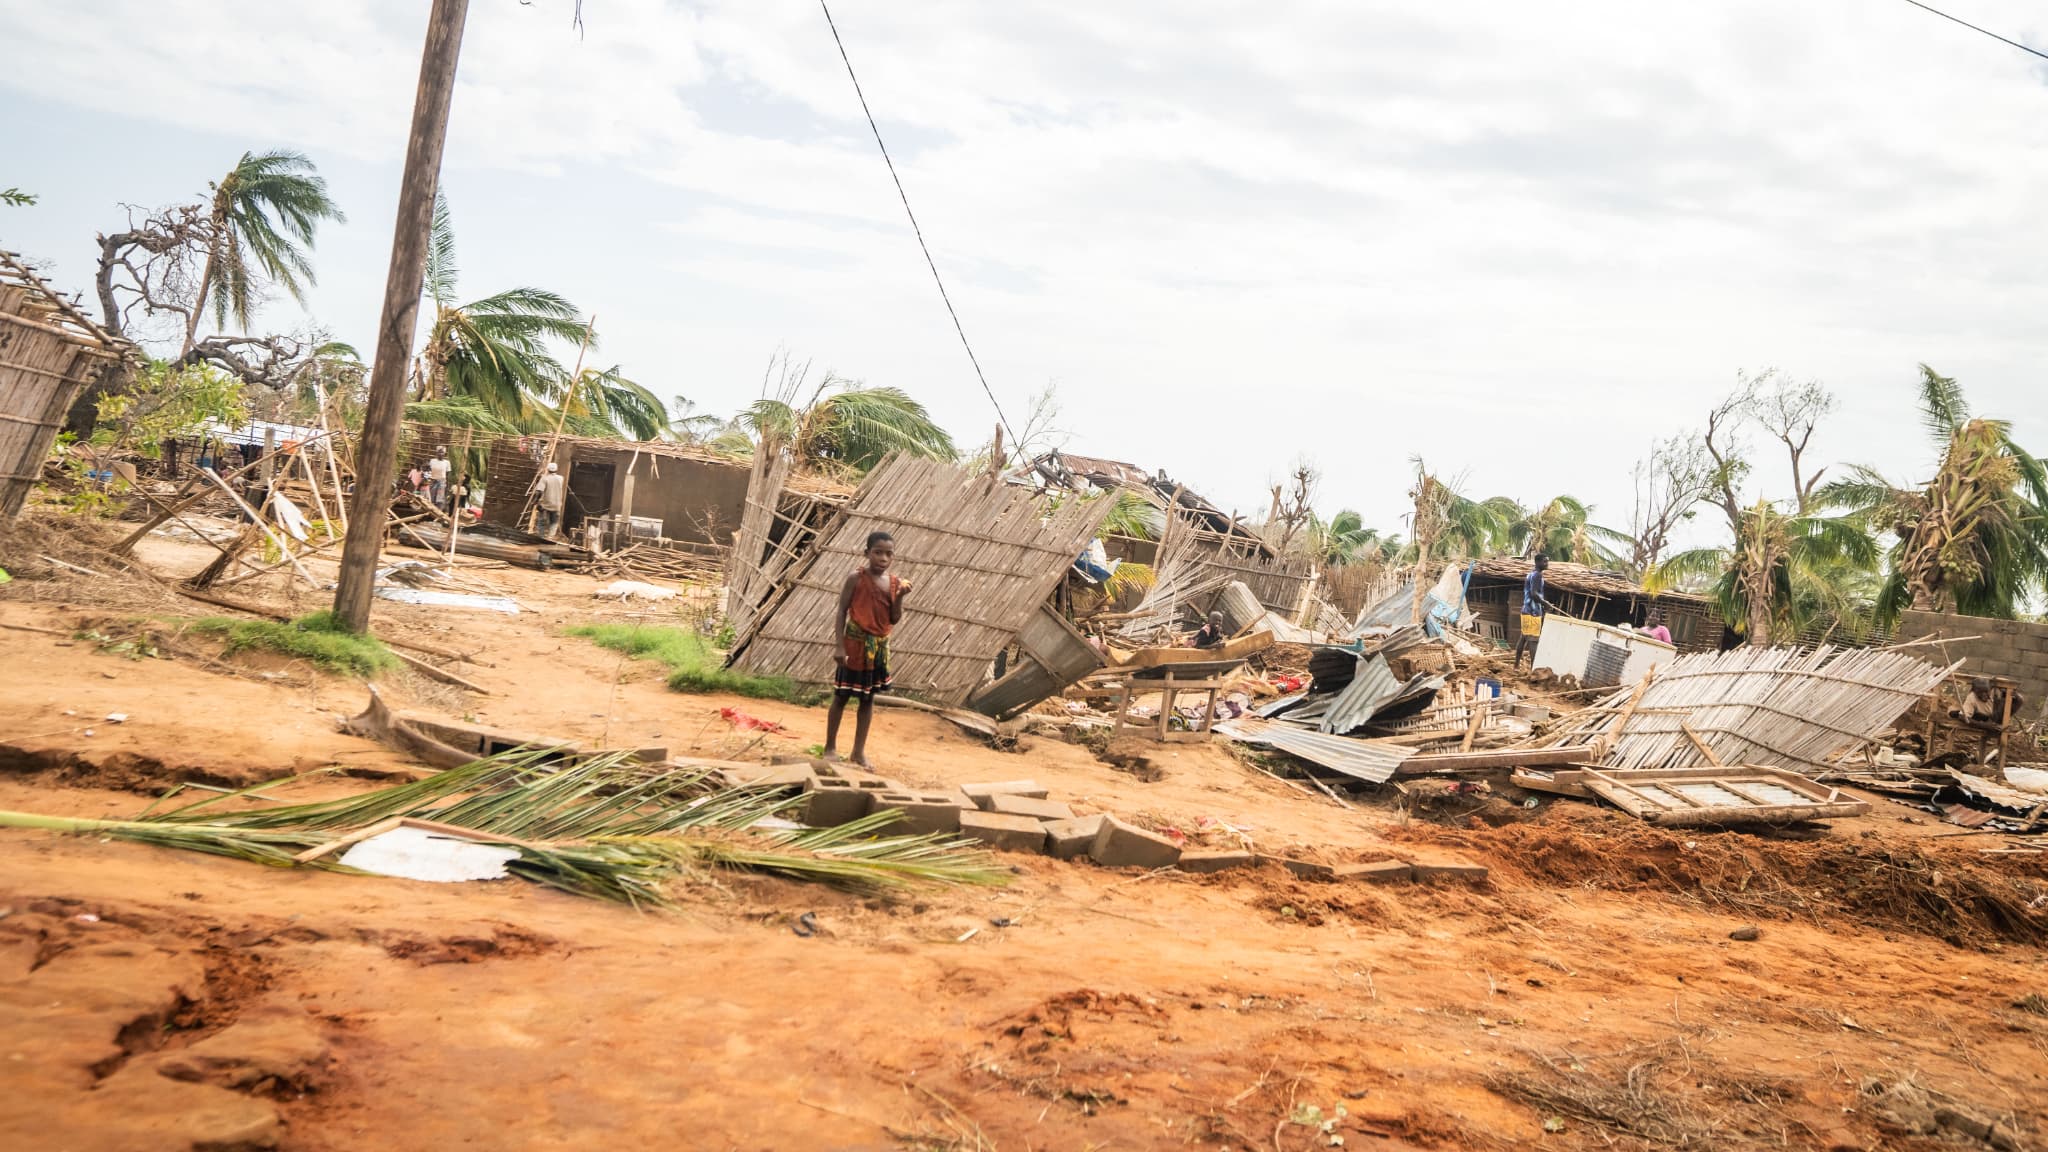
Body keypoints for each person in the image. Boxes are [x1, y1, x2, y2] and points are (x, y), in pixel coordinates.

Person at [824, 531, 912, 768]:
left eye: (889, 554)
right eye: (878, 552)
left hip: (878, 650)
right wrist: (839, 646)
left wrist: (901, 597)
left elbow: (893, 619)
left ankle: (858, 752)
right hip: (854, 645)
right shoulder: (856, 578)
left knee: (867, 700)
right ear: (866, 553)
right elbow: (842, 610)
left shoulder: (894, 584)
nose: (883, 558)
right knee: (841, 696)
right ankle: (830, 747)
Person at [1515, 553, 1551, 668]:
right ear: (1537, 562)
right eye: (1545, 561)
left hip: (1526, 609)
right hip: (1533, 612)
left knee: (1523, 637)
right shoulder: (1537, 575)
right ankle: (1533, 668)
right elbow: (1534, 594)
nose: (1547, 564)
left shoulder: (1530, 574)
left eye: (1547, 561)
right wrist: (1545, 604)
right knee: (1533, 640)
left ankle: (1516, 665)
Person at [531, 462, 566, 537]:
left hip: (545, 505)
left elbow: (539, 492)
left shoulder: (544, 478)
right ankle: (550, 537)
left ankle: (541, 537)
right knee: (554, 522)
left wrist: (535, 501)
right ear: (556, 469)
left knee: (542, 522)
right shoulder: (561, 478)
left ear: (548, 469)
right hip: (557, 505)